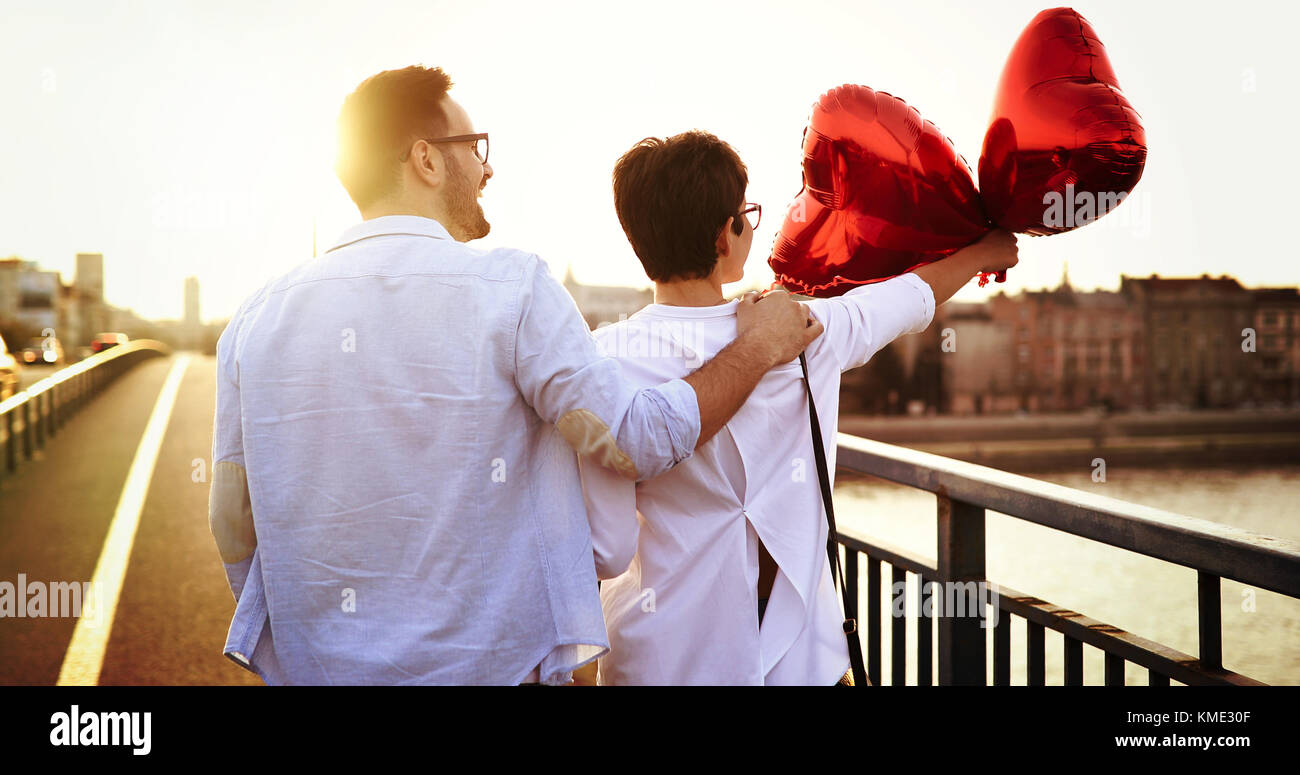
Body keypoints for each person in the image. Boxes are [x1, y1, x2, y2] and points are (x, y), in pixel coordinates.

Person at [207, 67, 820, 685]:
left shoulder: (255, 320)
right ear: (425, 159)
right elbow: (632, 440)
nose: (488, 169)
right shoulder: (511, 290)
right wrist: (758, 346)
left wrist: (302, 645)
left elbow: (232, 520)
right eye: (475, 148)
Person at [581, 130, 1018, 685]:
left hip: (661, 657)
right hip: (801, 660)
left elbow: (606, 547)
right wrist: (985, 252)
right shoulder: (808, 328)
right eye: (746, 214)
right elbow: (910, 296)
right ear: (724, 236)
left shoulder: (602, 358)